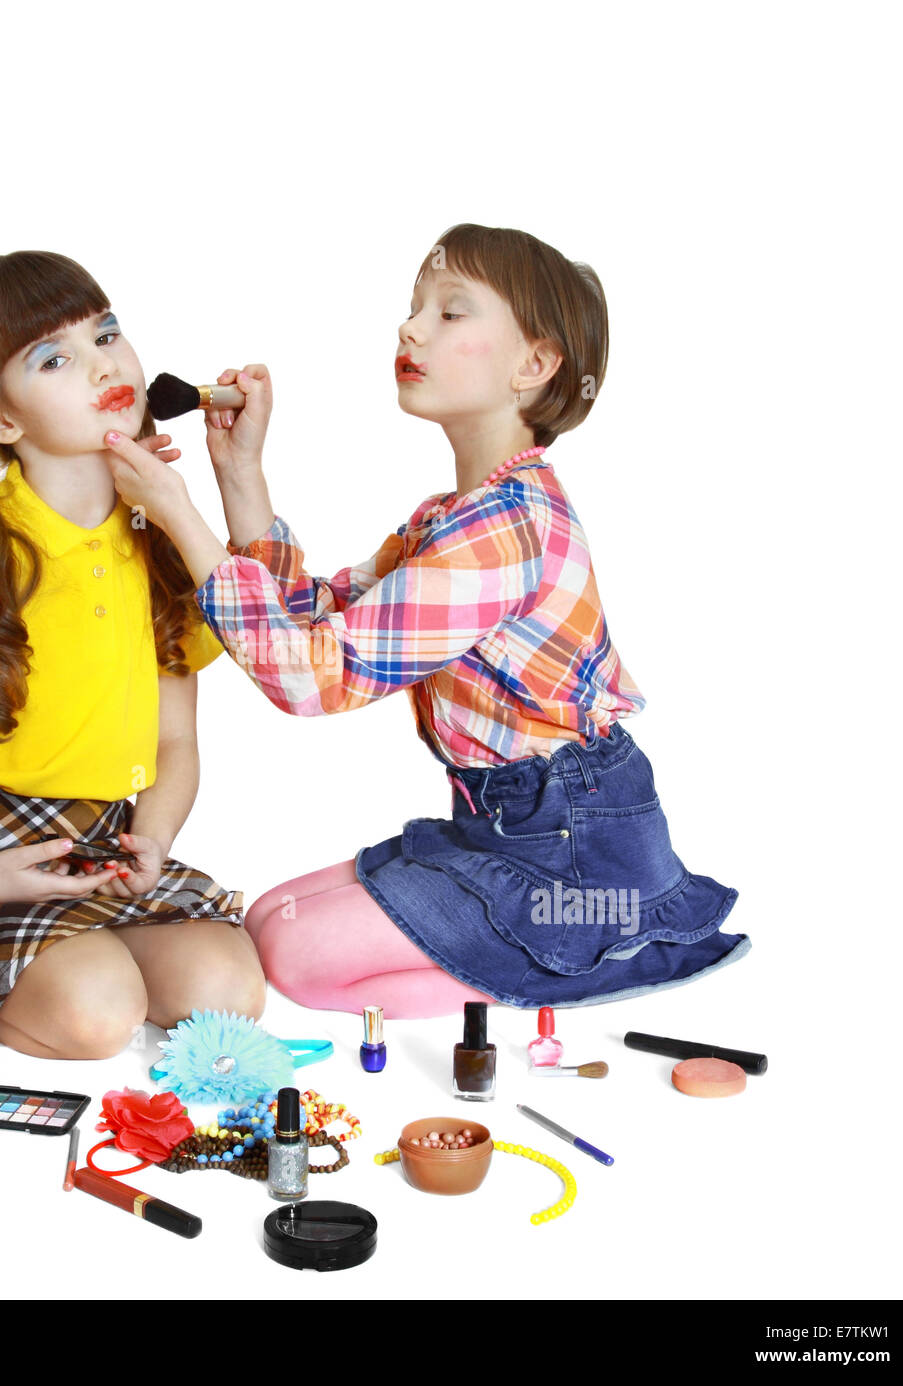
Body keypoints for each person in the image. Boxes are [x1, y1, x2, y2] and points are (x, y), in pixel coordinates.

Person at [100, 224, 746, 1018]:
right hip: (507, 833)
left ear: (534, 365)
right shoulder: (454, 518)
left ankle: (604, 953)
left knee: (292, 954)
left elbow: (309, 680)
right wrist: (240, 474)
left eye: (451, 313)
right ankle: (555, 949)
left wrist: (175, 514)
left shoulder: (504, 534)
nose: (410, 328)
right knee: (267, 919)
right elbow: (315, 622)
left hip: (581, 870)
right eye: (415, 308)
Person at [0, 250, 265, 1057]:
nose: (102, 365)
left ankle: (91, 952)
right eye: (56, 359)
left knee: (229, 994)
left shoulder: (162, 538)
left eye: (107, 334)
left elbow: (175, 740)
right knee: (98, 1014)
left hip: (106, 839)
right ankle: (19, 973)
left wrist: (153, 838)